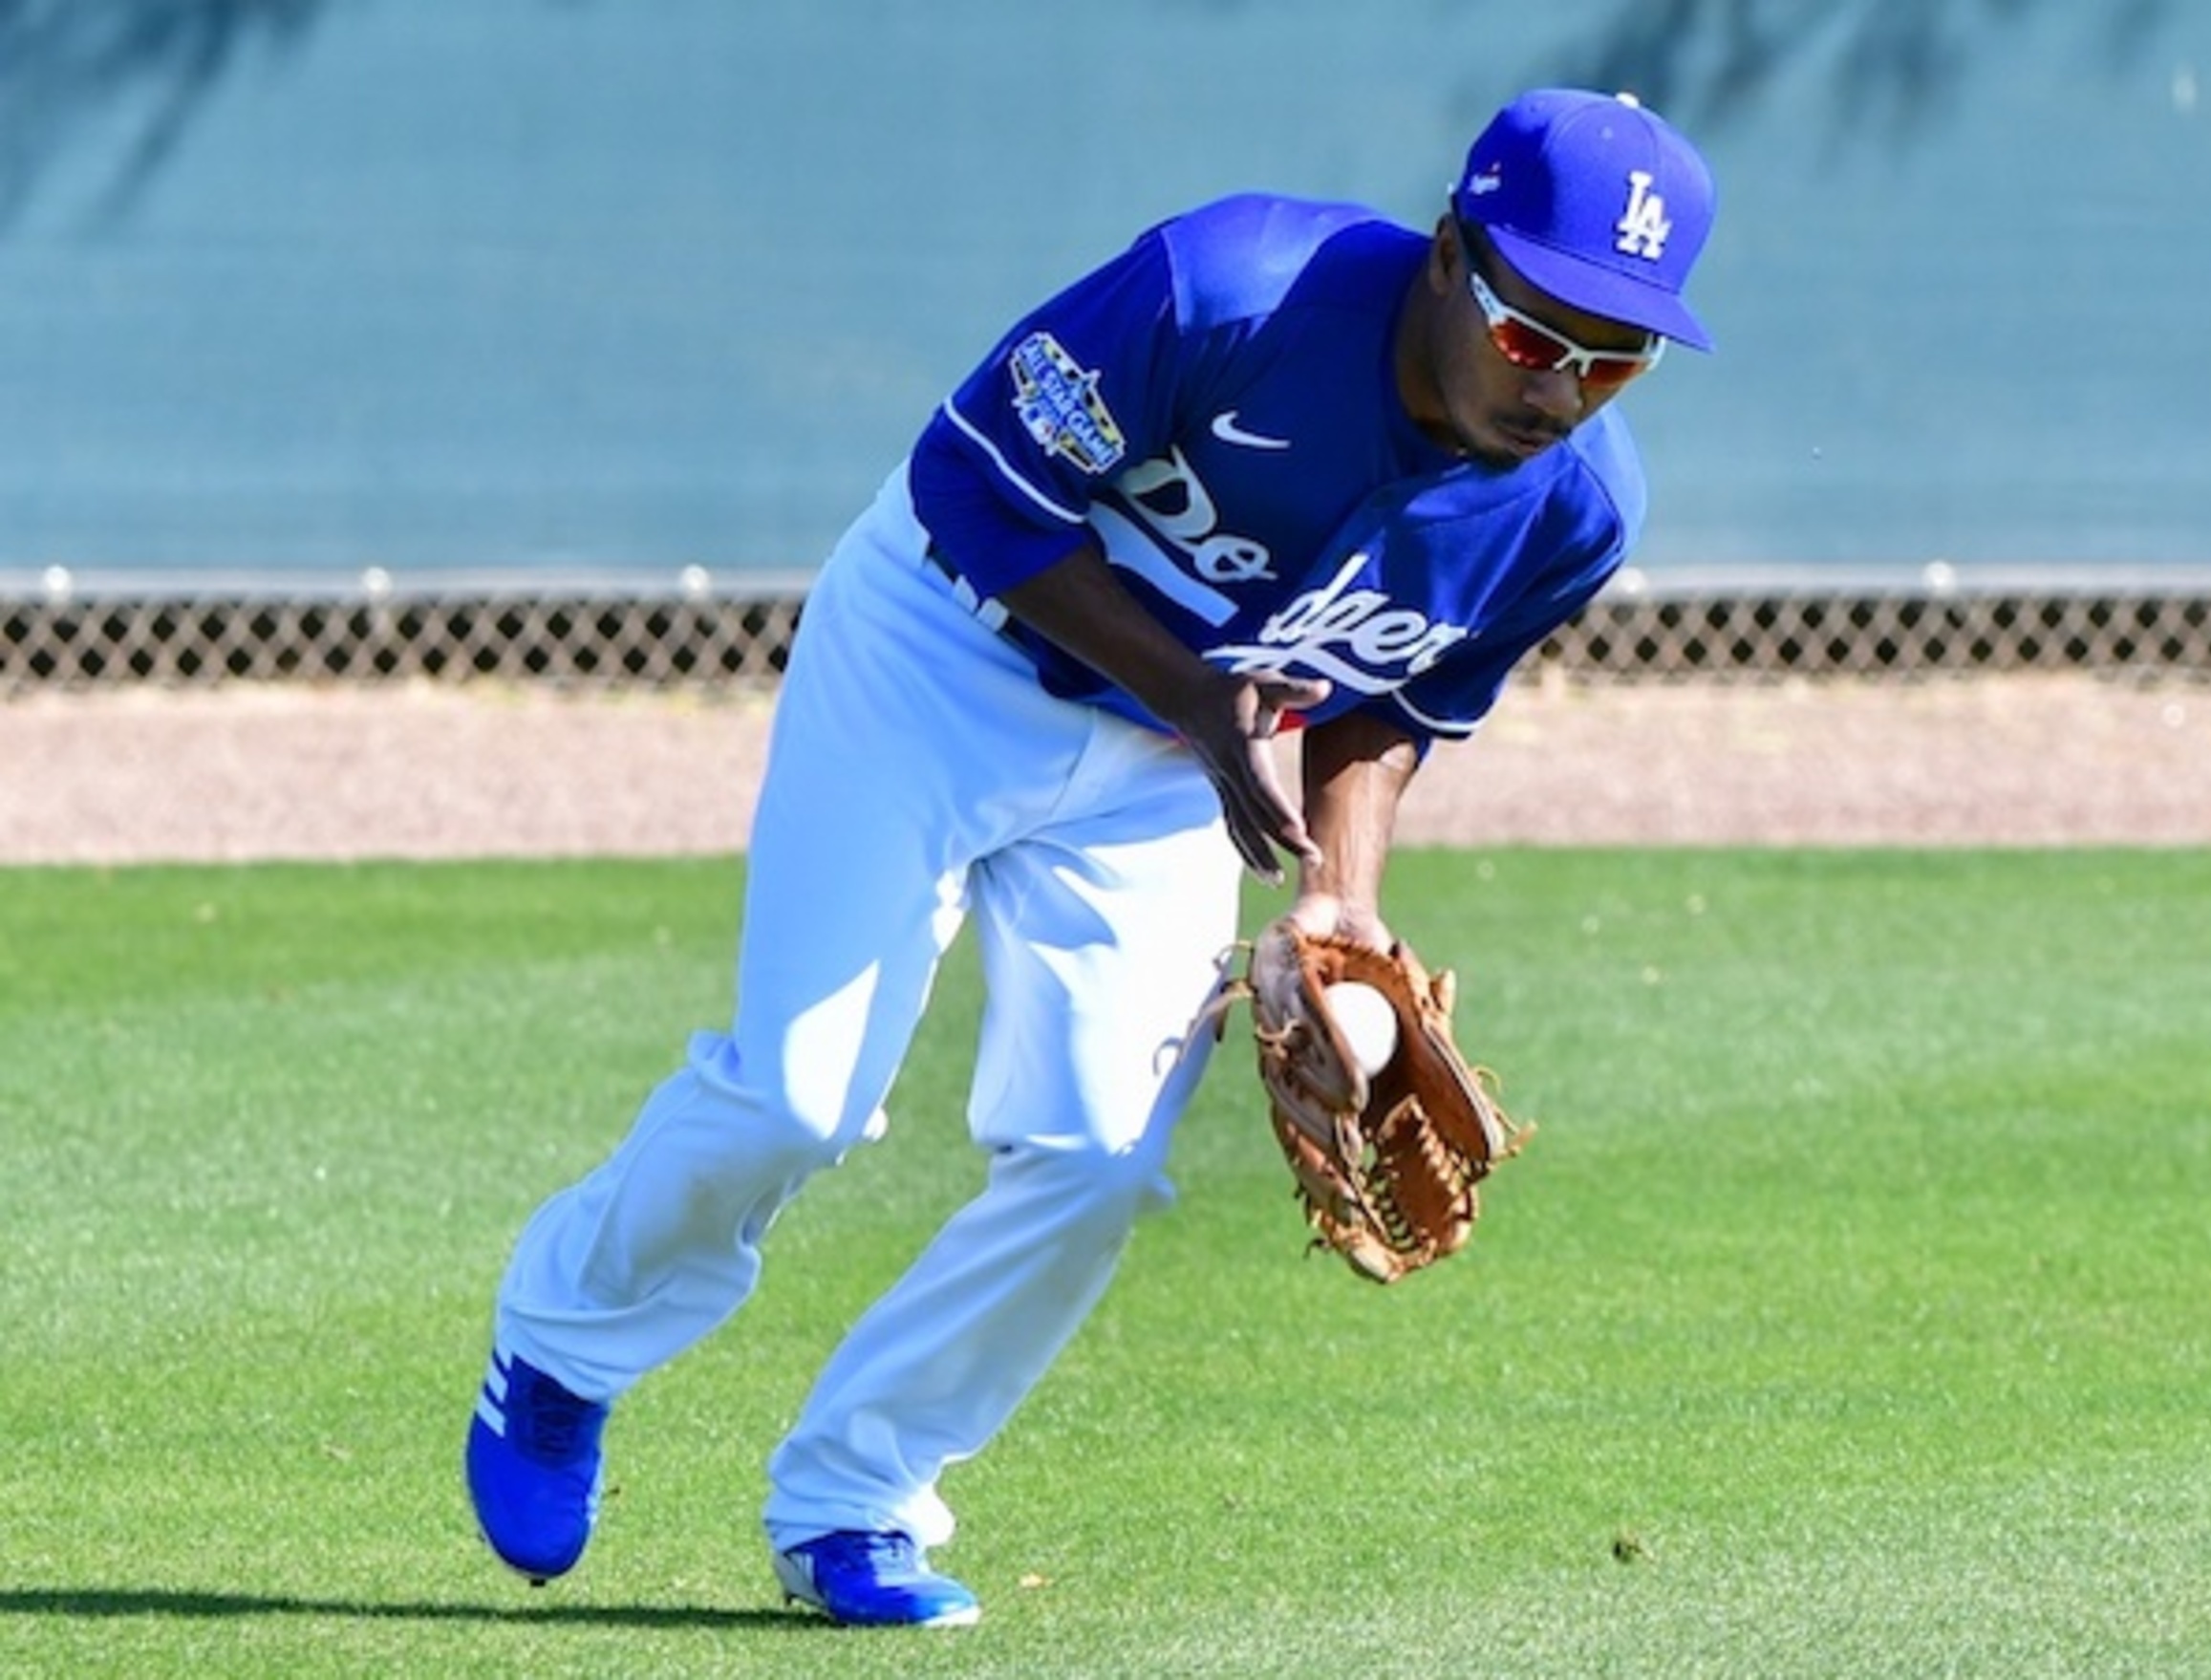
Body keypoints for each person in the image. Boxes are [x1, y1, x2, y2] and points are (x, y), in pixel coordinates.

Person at [464, 86, 1715, 1628]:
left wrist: (1342, 899)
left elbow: (1401, 704)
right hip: (941, 652)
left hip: (1166, 763)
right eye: (1541, 335)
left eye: (1621, 354)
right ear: (1454, 256)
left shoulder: (1579, 509)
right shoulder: (1231, 291)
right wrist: (1194, 695)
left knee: (1097, 1158)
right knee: (799, 1096)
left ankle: (859, 1495)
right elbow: (966, 488)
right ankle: (563, 1342)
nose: (1568, 387)